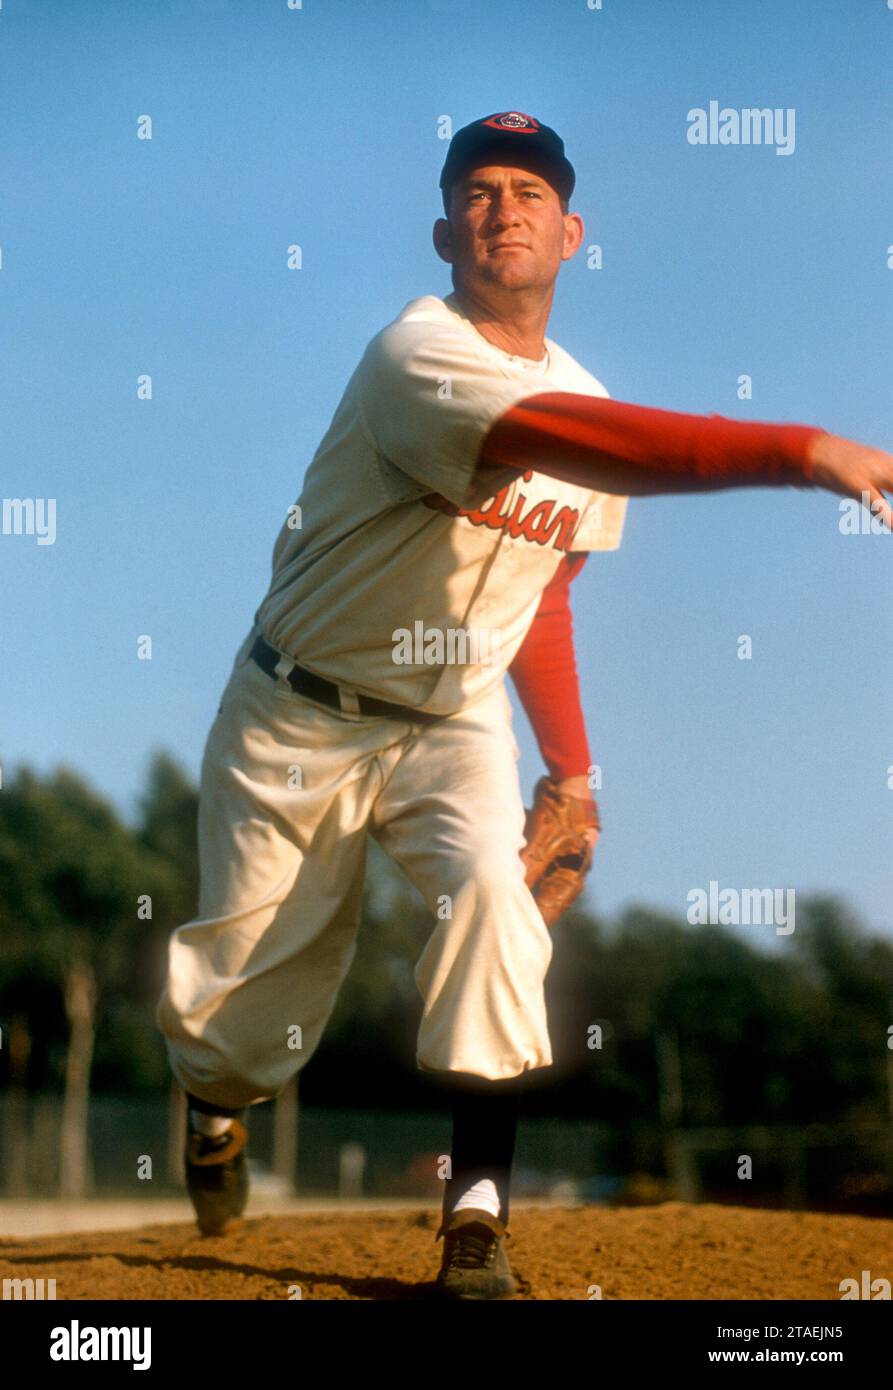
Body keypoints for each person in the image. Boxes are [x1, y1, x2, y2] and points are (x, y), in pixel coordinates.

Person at [156, 110, 892, 1301]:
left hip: (450, 718)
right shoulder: (417, 356)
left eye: (529, 191)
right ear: (444, 230)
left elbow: (540, 598)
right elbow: (567, 440)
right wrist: (799, 449)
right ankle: (212, 1103)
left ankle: (474, 1221)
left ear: (571, 232)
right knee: (245, 1028)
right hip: (297, 717)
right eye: (480, 190)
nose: (505, 207)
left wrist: (572, 774)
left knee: (501, 898)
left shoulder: (584, 391)